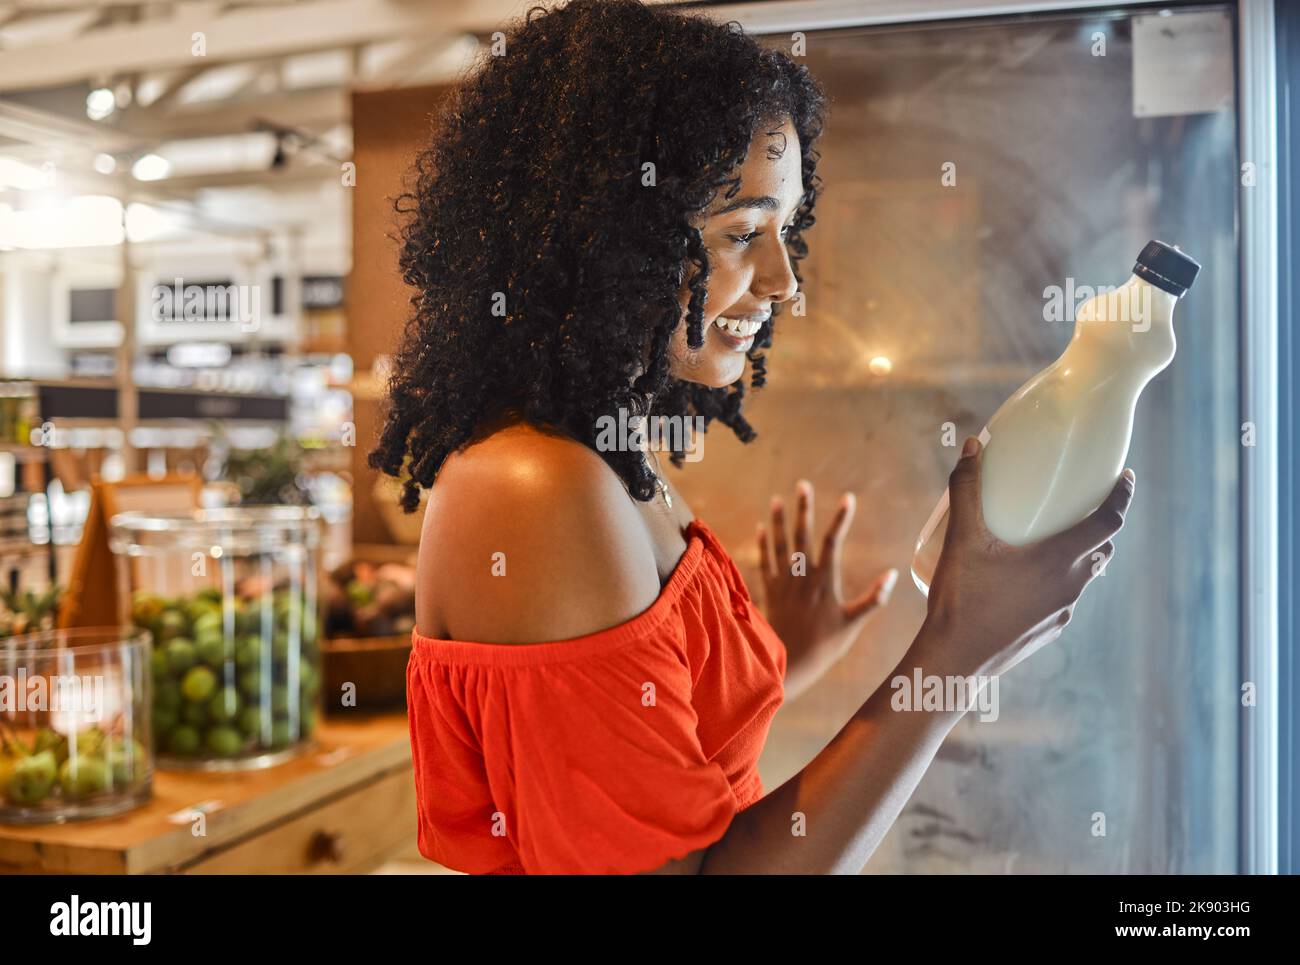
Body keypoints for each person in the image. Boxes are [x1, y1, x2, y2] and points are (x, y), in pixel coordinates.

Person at [369, 0, 1134, 874]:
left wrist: (779, 662)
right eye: (742, 232)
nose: (782, 278)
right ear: (610, 235)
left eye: (787, 229)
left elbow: (647, 765)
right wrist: (955, 653)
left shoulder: (603, 456)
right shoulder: (534, 486)